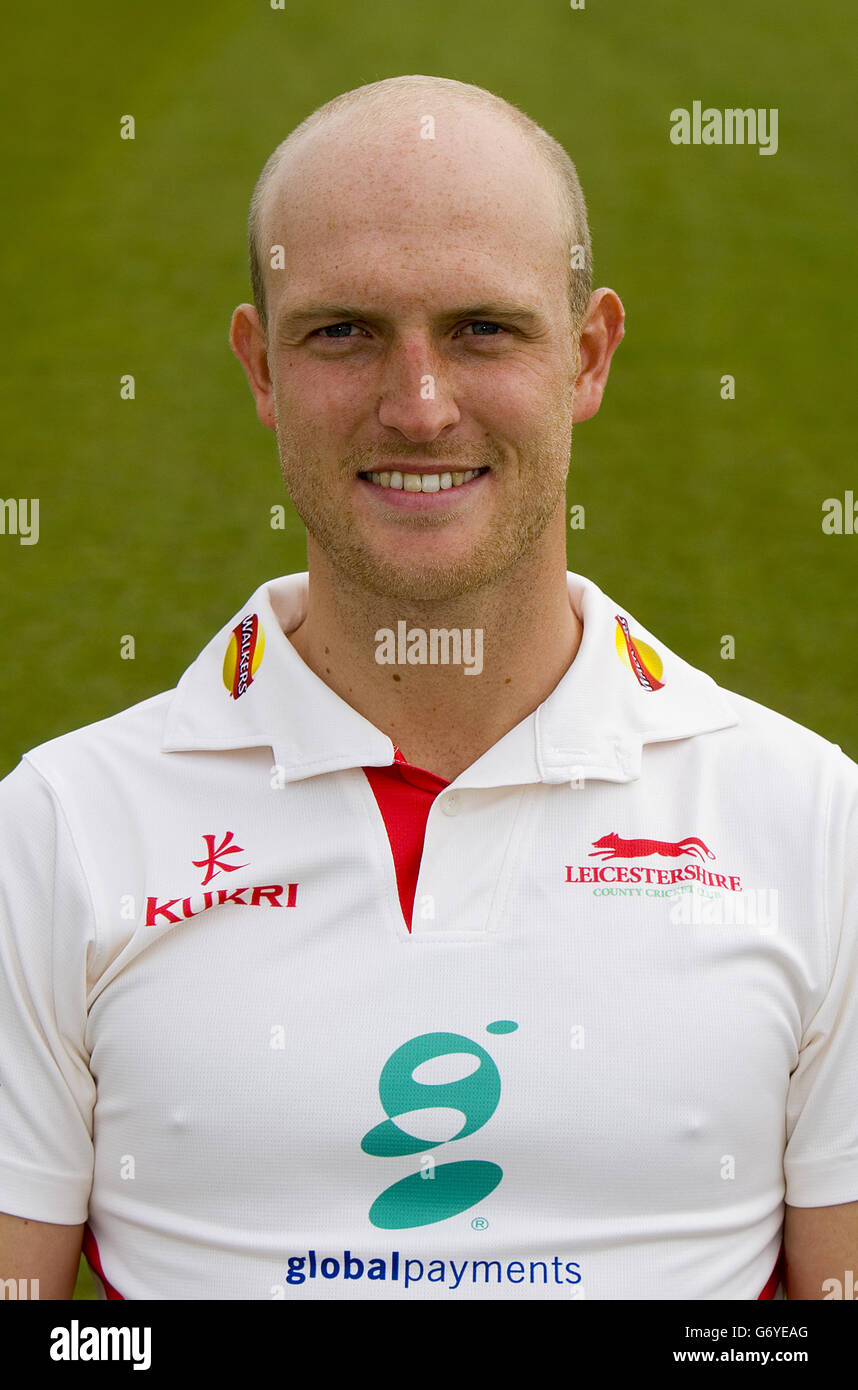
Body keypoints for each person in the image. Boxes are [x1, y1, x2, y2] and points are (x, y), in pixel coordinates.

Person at [0, 74, 855, 1302]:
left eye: (483, 330)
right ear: (260, 368)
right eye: (342, 331)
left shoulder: (813, 828)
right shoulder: (59, 833)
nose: (419, 406)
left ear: (589, 354)